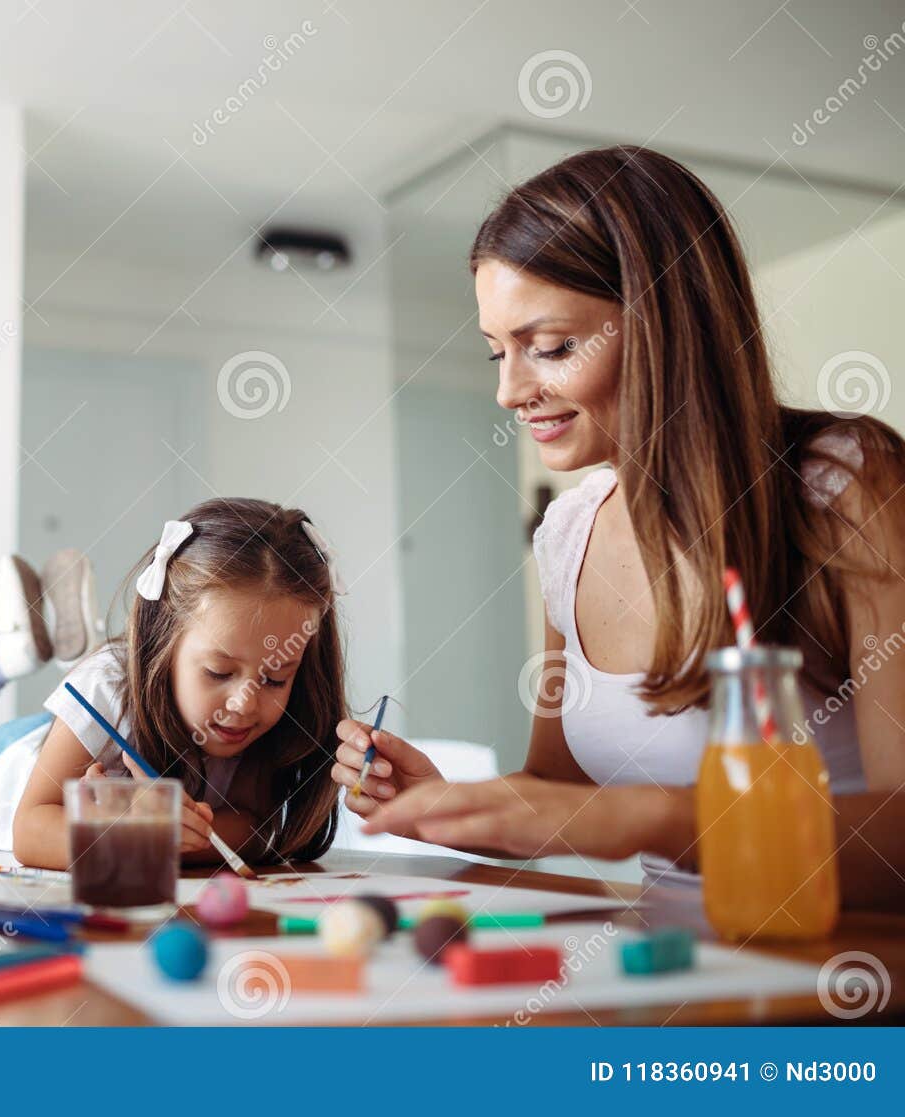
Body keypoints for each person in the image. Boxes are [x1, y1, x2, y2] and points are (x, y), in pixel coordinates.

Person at [334, 146, 905, 910]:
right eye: (498, 352)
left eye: (551, 348)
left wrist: (649, 816)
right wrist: (449, 803)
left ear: (667, 317)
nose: (509, 391)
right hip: (667, 980)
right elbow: (561, 797)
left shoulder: (842, 481)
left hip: (837, 979)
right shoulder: (568, 533)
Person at [0, 498, 346, 868]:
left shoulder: (267, 723)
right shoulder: (109, 680)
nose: (243, 702)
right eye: (218, 673)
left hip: (64, 739)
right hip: (2, 775)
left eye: (275, 677)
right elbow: (30, 830)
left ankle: (11, 651)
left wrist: (166, 833)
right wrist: (122, 832)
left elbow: (253, 824)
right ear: (160, 642)